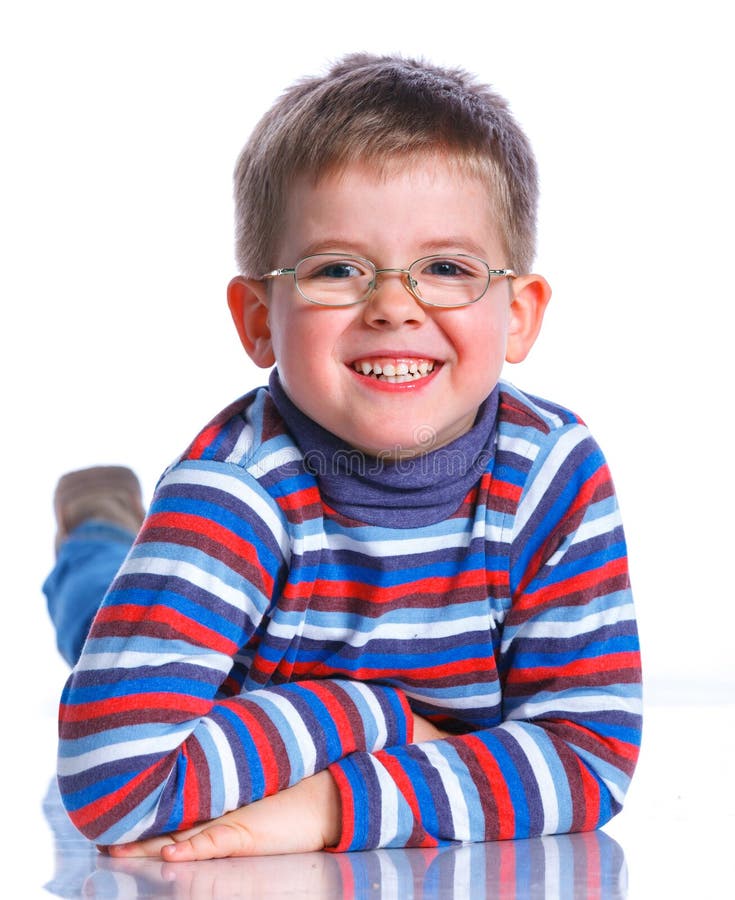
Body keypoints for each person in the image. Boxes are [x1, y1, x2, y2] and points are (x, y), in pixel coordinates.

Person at [50, 53, 642, 862]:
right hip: (215, 660)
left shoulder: (550, 474)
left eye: (445, 268)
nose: (394, 306)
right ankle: (95, 541)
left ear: (518, 314)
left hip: (271, 743)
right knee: (99, 624)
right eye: (337, 269)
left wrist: (335, 806)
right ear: (260, 319)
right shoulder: (229, 495)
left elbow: (588, 759)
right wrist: (379, 719)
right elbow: (114, 784)